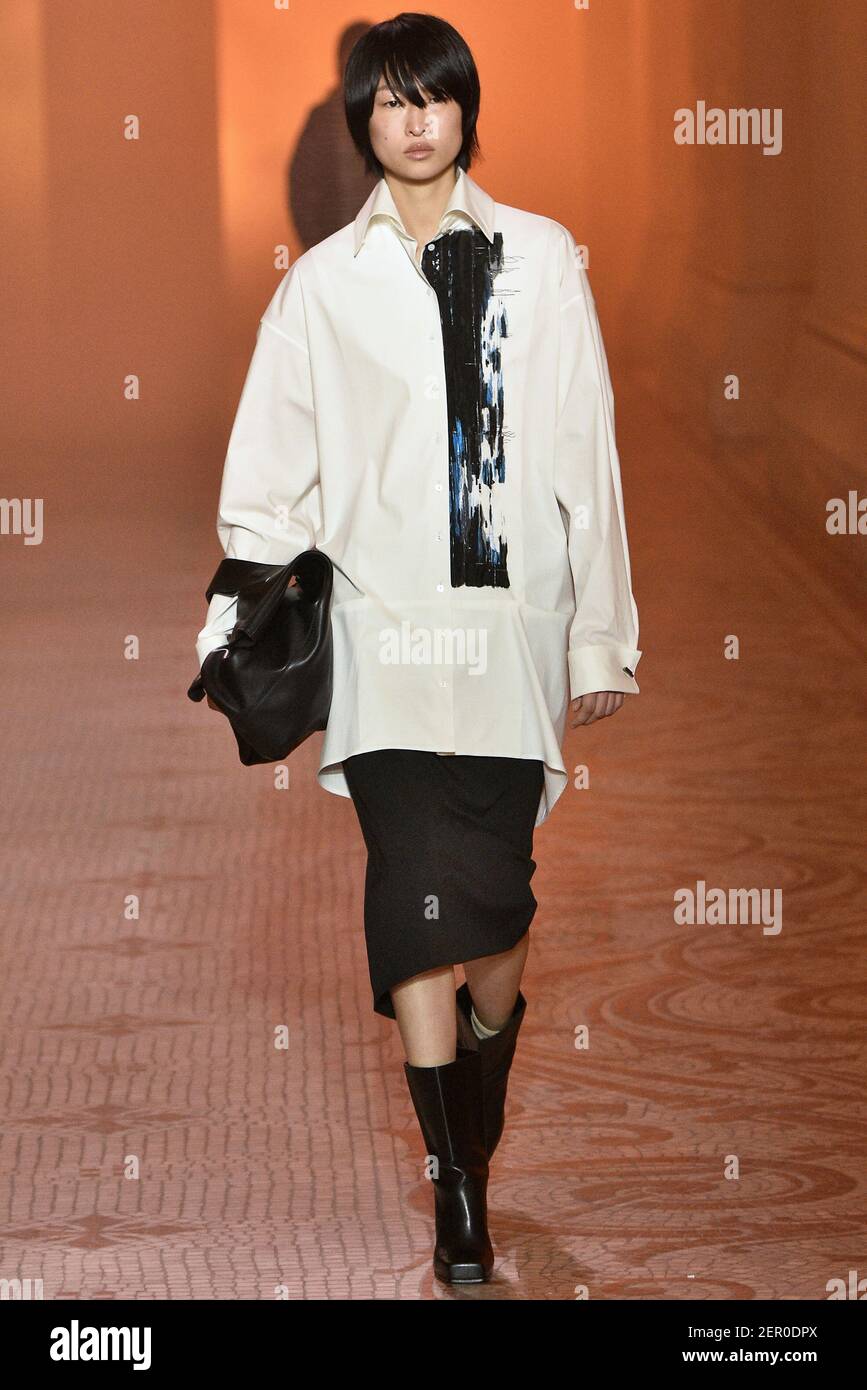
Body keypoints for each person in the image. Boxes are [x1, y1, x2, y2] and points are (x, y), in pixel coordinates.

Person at [194, 11, 642, 1285]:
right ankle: (457, 1187)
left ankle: (487, 1070)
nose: (414, 120)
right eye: (390, 102)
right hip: (387, 640)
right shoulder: (322, 286)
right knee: (411, 907)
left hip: (506, 642)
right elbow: (265, 477)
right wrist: (247, 620)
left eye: (433, 98)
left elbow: (584, 457)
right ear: (363, 124)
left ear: (464, 111)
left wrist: (601, 635)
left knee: (494, 913)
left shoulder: (544, 261)